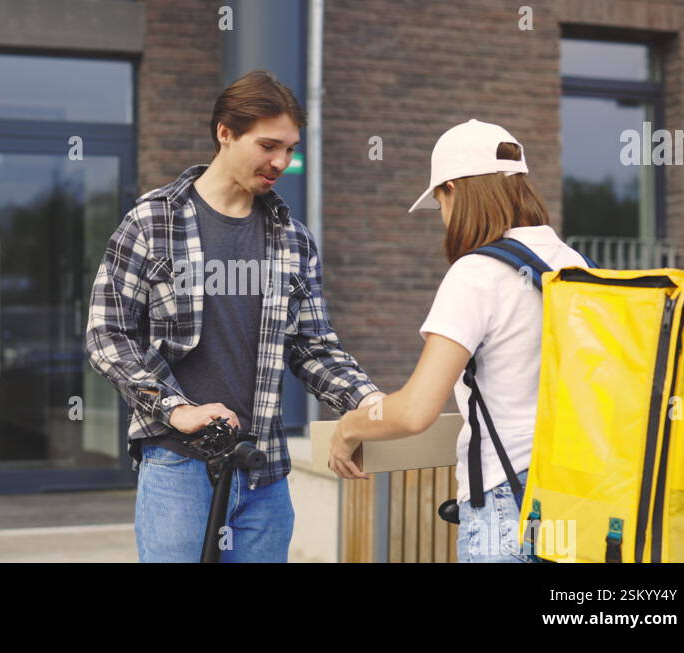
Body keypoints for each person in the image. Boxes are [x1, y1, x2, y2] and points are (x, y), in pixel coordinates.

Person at [86, 69, 382, 563]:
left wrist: (371, 402)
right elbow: (107, 335)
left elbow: (313, 346)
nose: (282, 161)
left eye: (290, 149)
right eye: (269, 145)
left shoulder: (293, 239)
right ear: (225, 132)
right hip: (178, 465)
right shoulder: (152, 221)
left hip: (264, 470)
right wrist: (176, 409)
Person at [329, 119, 591, 563]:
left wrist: (350, 425)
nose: (444, 217)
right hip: (577, 493)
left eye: (440, 202)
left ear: (452, 188)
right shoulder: (577, 264)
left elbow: (415, 410)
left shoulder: (476, 273)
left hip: (507, 498)